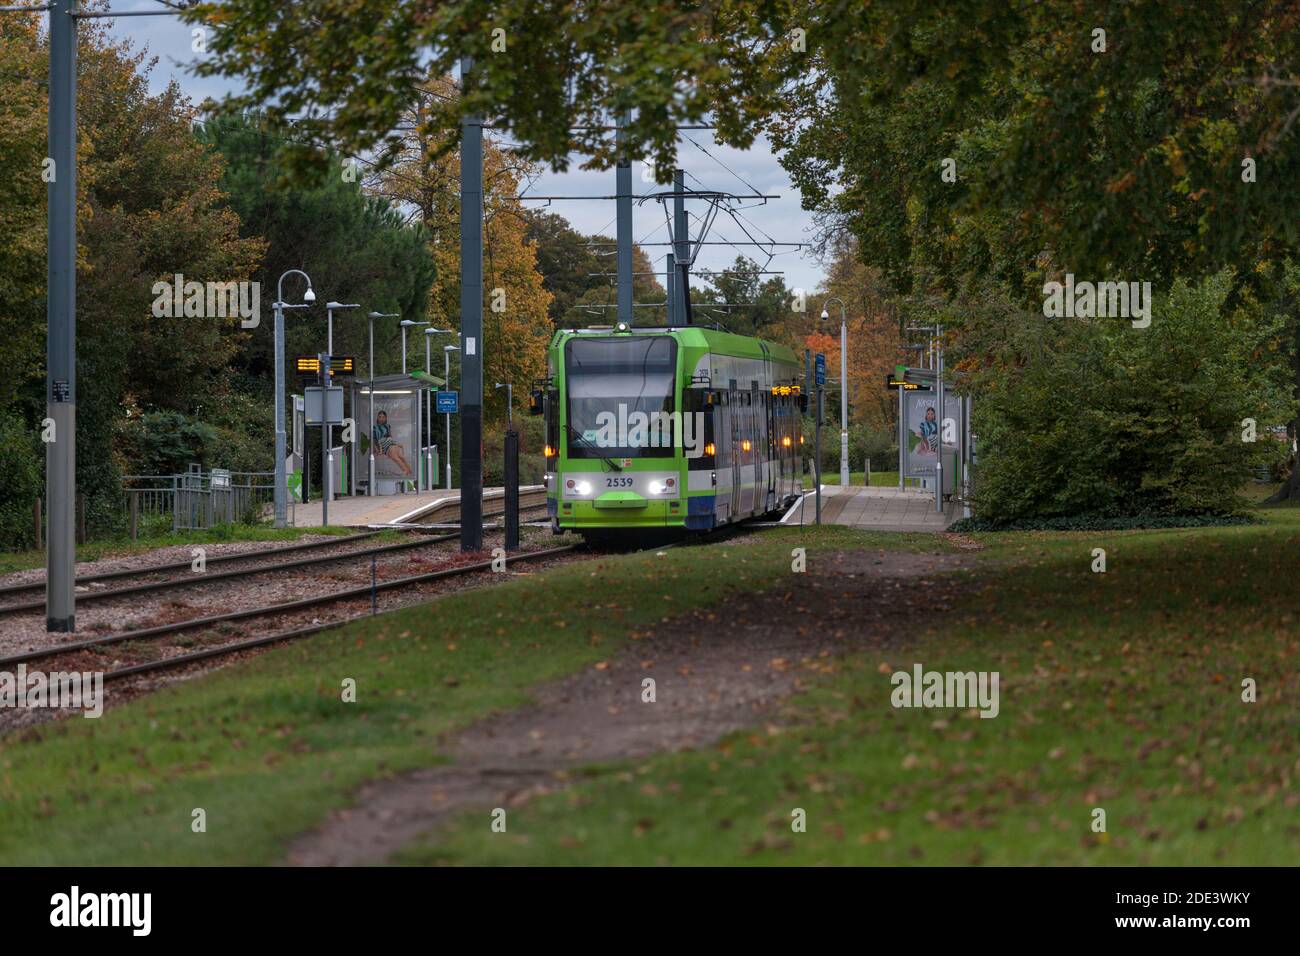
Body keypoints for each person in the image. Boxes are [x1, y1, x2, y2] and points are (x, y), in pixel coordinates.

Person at [372, 410, 413, 475]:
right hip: (382, 445)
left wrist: (393, 442)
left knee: (396, 457)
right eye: (380, 417)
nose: (381, 419)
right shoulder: (374, 427)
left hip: (389, 443)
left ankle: (406, 471)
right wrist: (377, 449)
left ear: (385, 418)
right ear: (377, 418)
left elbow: (390, 435)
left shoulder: (387, 426)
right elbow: (374, 439)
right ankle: (408, 470)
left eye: (383, 417)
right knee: (399, 457)